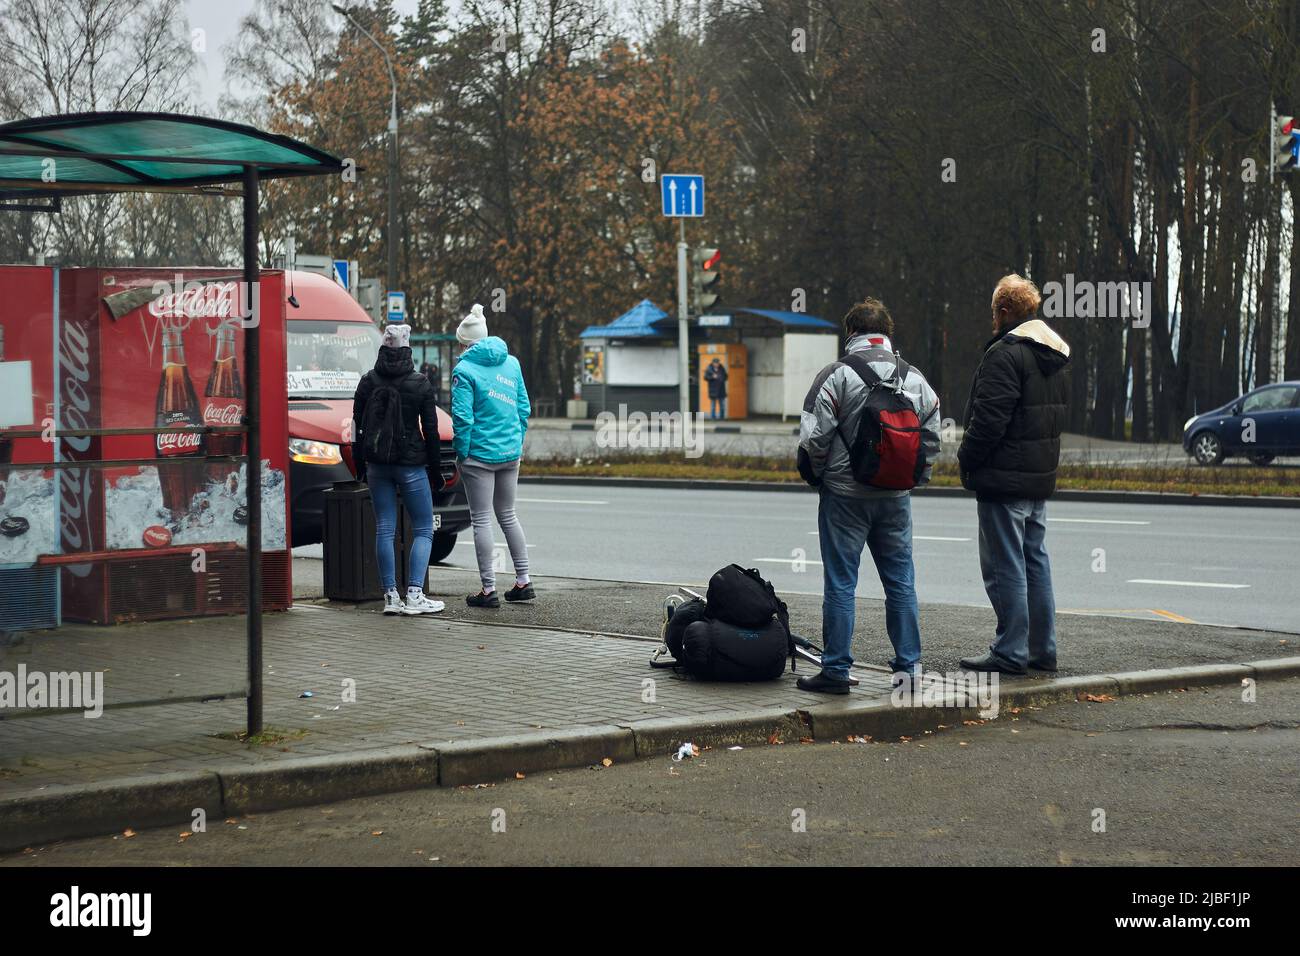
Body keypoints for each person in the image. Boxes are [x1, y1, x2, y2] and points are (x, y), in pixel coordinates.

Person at [796, 298, 941, 694]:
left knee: (842, 583)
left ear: (851, 333)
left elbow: (814, 439)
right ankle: (908, 673)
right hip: (895, 497)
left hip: (844, 497)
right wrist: (914, 479)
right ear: (887, 332)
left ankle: (836, 671)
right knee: (901, 583)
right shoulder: (915, 378)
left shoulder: (836, 374)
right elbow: (932, 437)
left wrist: (823, 477)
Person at [958, 274, 1071, 675]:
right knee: (1035, 563)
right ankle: (1042, 650)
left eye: (994, 311)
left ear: (1004, 311)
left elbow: (988, 422)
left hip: (1003, 480)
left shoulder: (1004, 354)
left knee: (1005, 567)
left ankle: (1009, 651)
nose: (992, 319)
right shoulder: (1052, 356)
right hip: (1038, 478)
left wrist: (966, 459)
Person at [351, 323, 446, 616]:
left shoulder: (367, 382)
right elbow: (431, 431)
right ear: (408, 350)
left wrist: (360, 466)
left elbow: (357, 429)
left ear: (382, 349)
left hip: (377, 465)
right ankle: (415, 594)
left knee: (384, 528)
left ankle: (390, 596)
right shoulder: (420, 383)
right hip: (411, 466)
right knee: (423, 528)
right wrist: (435, 468)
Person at [451, 304, 534, 608]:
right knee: (508, 515)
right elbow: (523, 408)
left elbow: (462, 419)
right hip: (510, 453)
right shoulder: (511, 363)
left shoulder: (464, 370)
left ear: (465, 343)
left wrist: (463, 454)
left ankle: (489, 589)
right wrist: (516, 440)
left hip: (479, 457)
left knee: (482, 519)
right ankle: (523, 581)